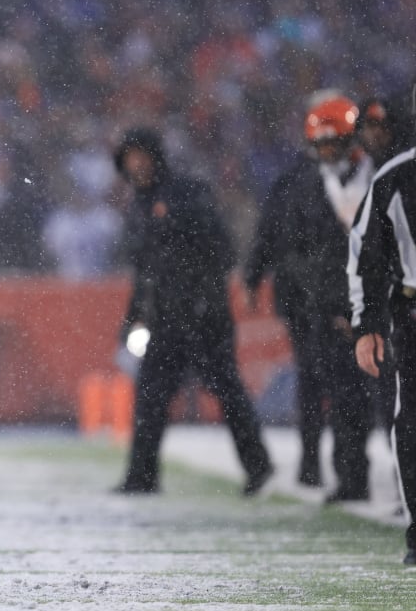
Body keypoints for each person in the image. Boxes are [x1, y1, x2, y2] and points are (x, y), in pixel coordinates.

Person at [111, 127, 272, 496]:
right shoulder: (140, 206)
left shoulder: (185, 194)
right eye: (129, 159)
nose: (135, 165)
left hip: (203, 317)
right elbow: (145, 273)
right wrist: (133, 319)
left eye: (140, 156)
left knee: (226, 392)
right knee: (151, 398)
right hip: (165, 319)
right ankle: (142, 476)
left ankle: (258, 466)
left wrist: (201, 295)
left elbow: (221, 249)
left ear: (154, 157)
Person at [284, 94, 375, 502]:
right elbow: (299, 251)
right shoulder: (307, 186)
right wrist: (330, 303)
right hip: (334, 307)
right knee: (342, 398)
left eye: (334, 143)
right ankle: (352, 477)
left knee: (390, 401)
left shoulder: (380, 175)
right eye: (322, 145)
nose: (328, 153)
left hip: (383, 301)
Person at [349, 88, 416, 566]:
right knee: (411, 423)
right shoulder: (395, 178)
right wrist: (368, 324)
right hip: (413, 313)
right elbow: (365, 258)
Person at [244, 139, 323, 486]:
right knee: (339, 380)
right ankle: (348, 466)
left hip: (306, 292)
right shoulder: (341, 176)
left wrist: (253, 275)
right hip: (323, 294)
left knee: (314, 378)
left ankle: (315, 463)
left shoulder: (290, 181)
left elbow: (267, 232)